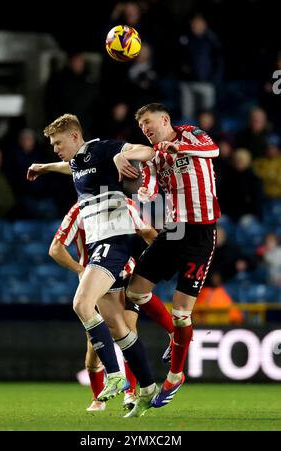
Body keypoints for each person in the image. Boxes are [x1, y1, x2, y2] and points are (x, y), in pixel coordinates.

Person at [27, 113, 169, 417]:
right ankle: (146, 387)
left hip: (113, 240)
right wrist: (46, 168)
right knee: (118, 326)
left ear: (76, 138)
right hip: (98, 245)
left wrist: (123, 156)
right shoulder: (79, 162)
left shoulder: (103, 149)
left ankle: (116, 375)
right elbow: (73, 168)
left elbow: (147, 151)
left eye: (57, 143)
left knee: (81, 302)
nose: (54, 148)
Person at [113, 102, 221, 409]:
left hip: (201, 232)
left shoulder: (190, 133)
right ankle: (176, 335)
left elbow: (212, 150)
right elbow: (145, 183)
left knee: (182, 311)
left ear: (165, 119)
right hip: (174, 230)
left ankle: (175, 375)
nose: (146, 129)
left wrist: (180, 149)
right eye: (141, 126)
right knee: (135, 290)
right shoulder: (154, 154)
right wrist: (127, 165)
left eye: (149, 122)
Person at [49, 198, 158, 412]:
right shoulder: (79, 210)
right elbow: (55, 249)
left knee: (127, 327)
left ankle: (131, 392)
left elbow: (146, 233)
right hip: (97, 281)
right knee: (93, 349)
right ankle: (99, 398)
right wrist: (81, 270)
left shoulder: (122, 203)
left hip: (125, 276)